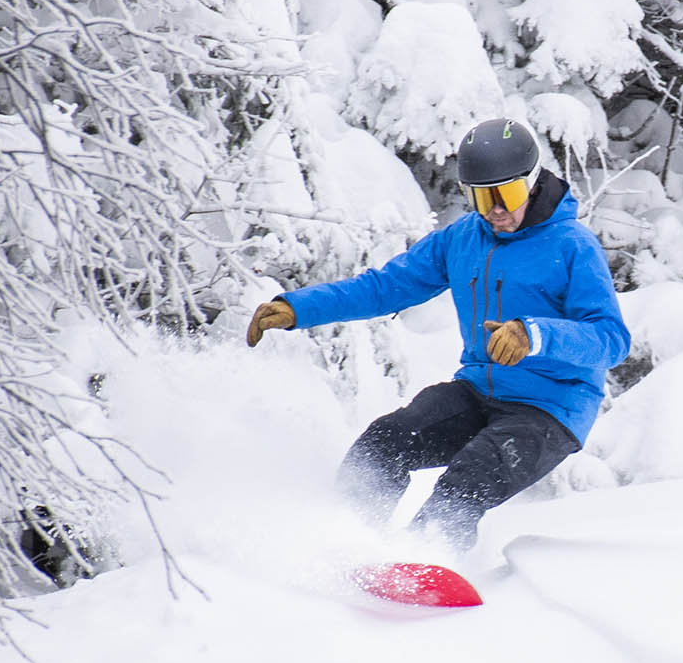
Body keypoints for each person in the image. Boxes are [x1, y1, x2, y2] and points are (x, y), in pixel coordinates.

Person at [246, 118, 630, 549]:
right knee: (383, 444)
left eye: (508, 194)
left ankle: (427, 568)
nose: (496, 211)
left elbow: (612, 339)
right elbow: (385, 287)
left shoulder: (571, 245)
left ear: (533, 182)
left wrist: (534, 336)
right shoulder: (462, 240)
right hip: (479, 392)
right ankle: (345, 544)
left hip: (550, 409)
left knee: (467, 481)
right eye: (481, 198)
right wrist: (300, 307)